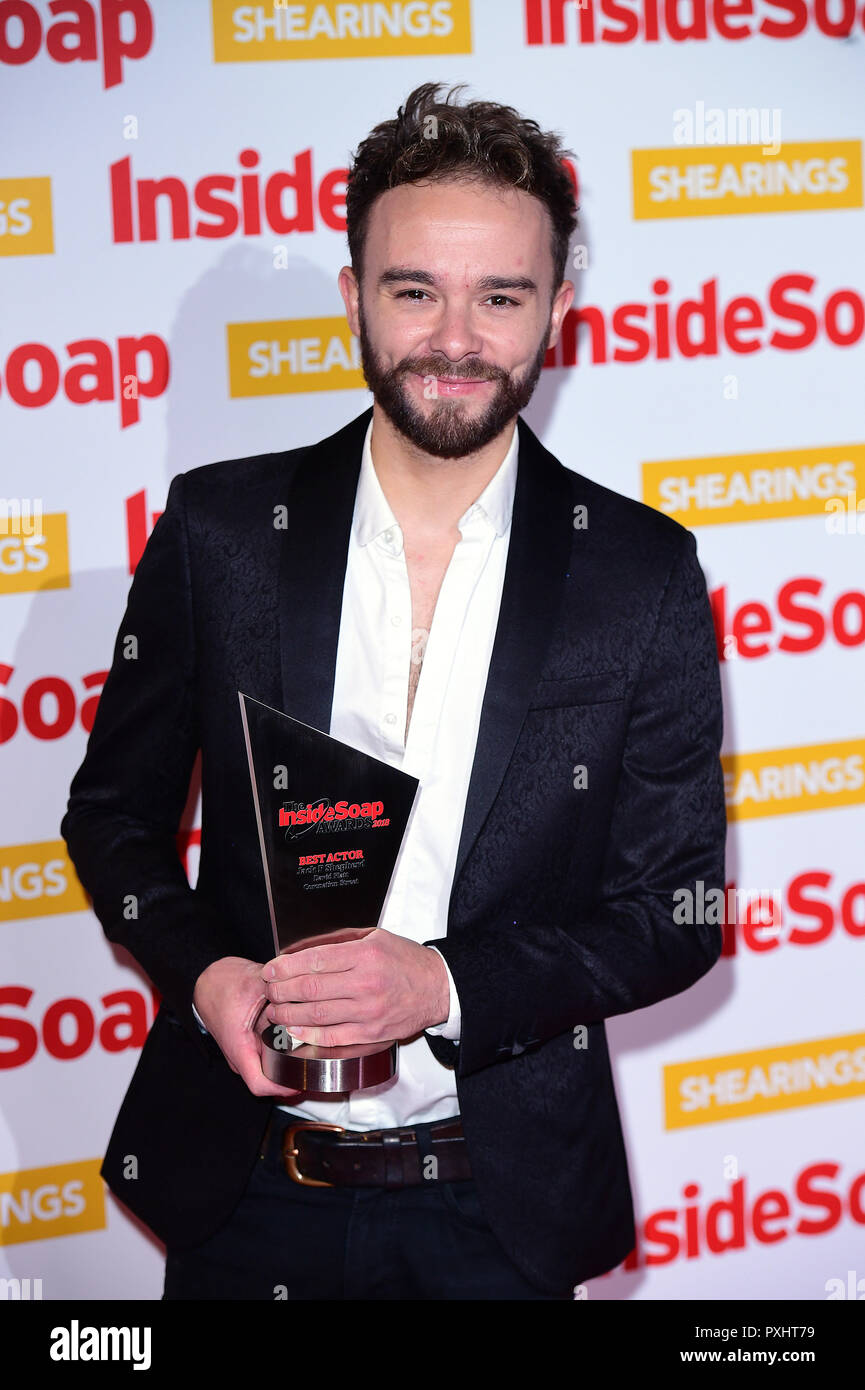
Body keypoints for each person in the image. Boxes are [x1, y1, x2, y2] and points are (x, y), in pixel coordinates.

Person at [61, 82, 726, 1301]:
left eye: (501, 296)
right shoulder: (223, 532)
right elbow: (111, 817)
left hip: (499, 1207)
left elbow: (675, 913)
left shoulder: (640, 571)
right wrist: (207, 975)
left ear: (558, 310)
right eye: (415, 288)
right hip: (246, 1189)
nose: (456, 338)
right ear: (354, 294)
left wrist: (444, 984)